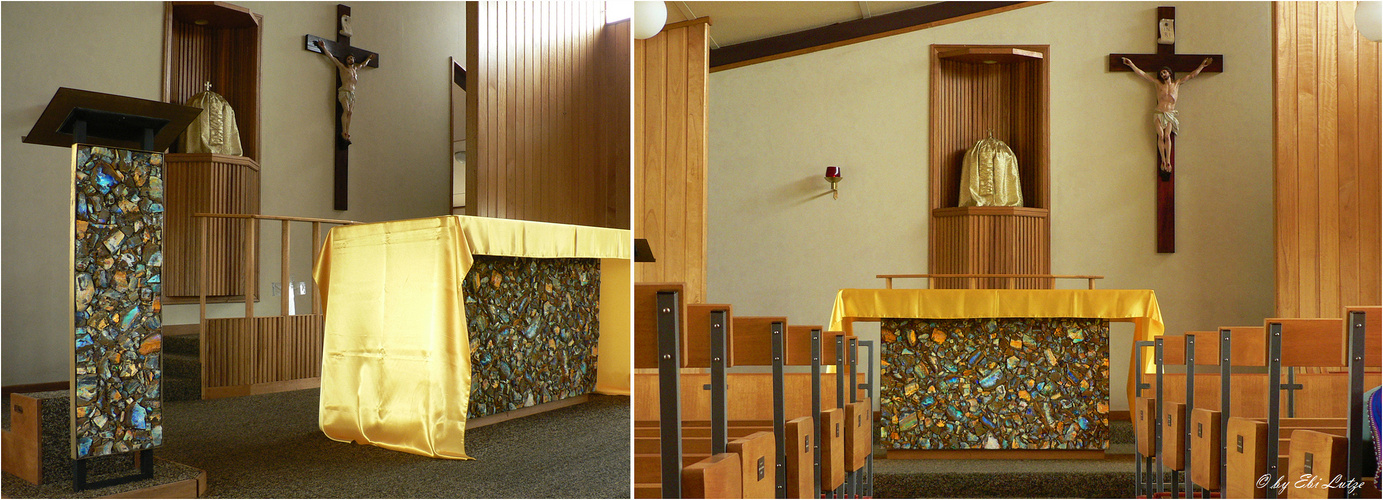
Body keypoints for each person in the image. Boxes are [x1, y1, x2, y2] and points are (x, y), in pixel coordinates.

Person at [1122, 56, 1212, 174]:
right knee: (1160, 135)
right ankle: (1163, 160)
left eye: (1164, 72)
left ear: (1169, 72)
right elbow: (1144, 75)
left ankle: (1168, 160)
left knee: (1167, 136)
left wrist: (1202, 66)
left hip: (1170, 113)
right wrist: (1131, 64)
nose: (1163, 74)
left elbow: (1191, 75)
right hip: (1159, 113)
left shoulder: (1177, 84)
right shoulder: (1158, 84)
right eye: (1161, 73)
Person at [316, 40, 374, 143]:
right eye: (349, 58)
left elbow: (363, 65)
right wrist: (324, 47)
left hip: (352, 93)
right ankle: (343, 131)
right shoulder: (342, 68)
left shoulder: (355, 69)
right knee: (346, 110)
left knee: (350, 112)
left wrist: (369, 58)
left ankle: (347, 131)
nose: (351, 59)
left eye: (352, 58)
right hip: (344, 91)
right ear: (346, 61)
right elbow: (332, 58)